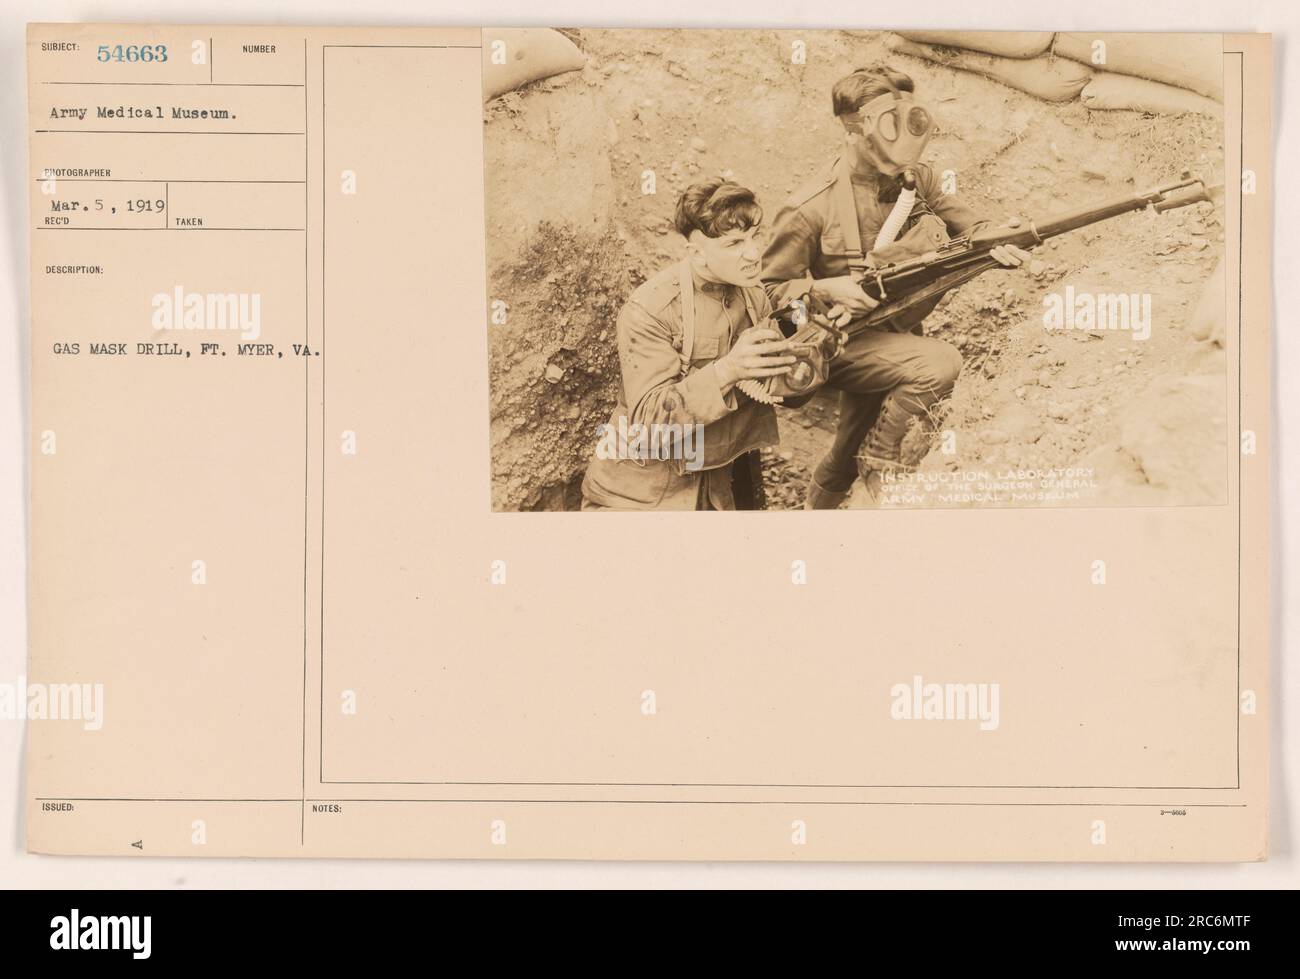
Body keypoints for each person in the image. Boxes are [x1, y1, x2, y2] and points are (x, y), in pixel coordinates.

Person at [762, 65, 1032, 508]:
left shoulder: (917, 179)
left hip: (894, 328)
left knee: (844, 449)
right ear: (853, 132)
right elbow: (768, 292)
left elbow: (964, 221)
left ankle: (818, 513)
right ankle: (881, 460)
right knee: (939, 365)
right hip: (833, 342)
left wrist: (999, 240)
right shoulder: (810, 207)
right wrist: (826, 288)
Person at [581, 180, 796, 510]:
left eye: (754, 237)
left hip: (721, 482)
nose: (754, 254)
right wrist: (728, 370)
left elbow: (776, 390)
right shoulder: (651, 310)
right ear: (697, 253)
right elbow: (646, 425)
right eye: (735, 243)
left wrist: (813, 352)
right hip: (644, 497)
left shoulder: (753, 295)